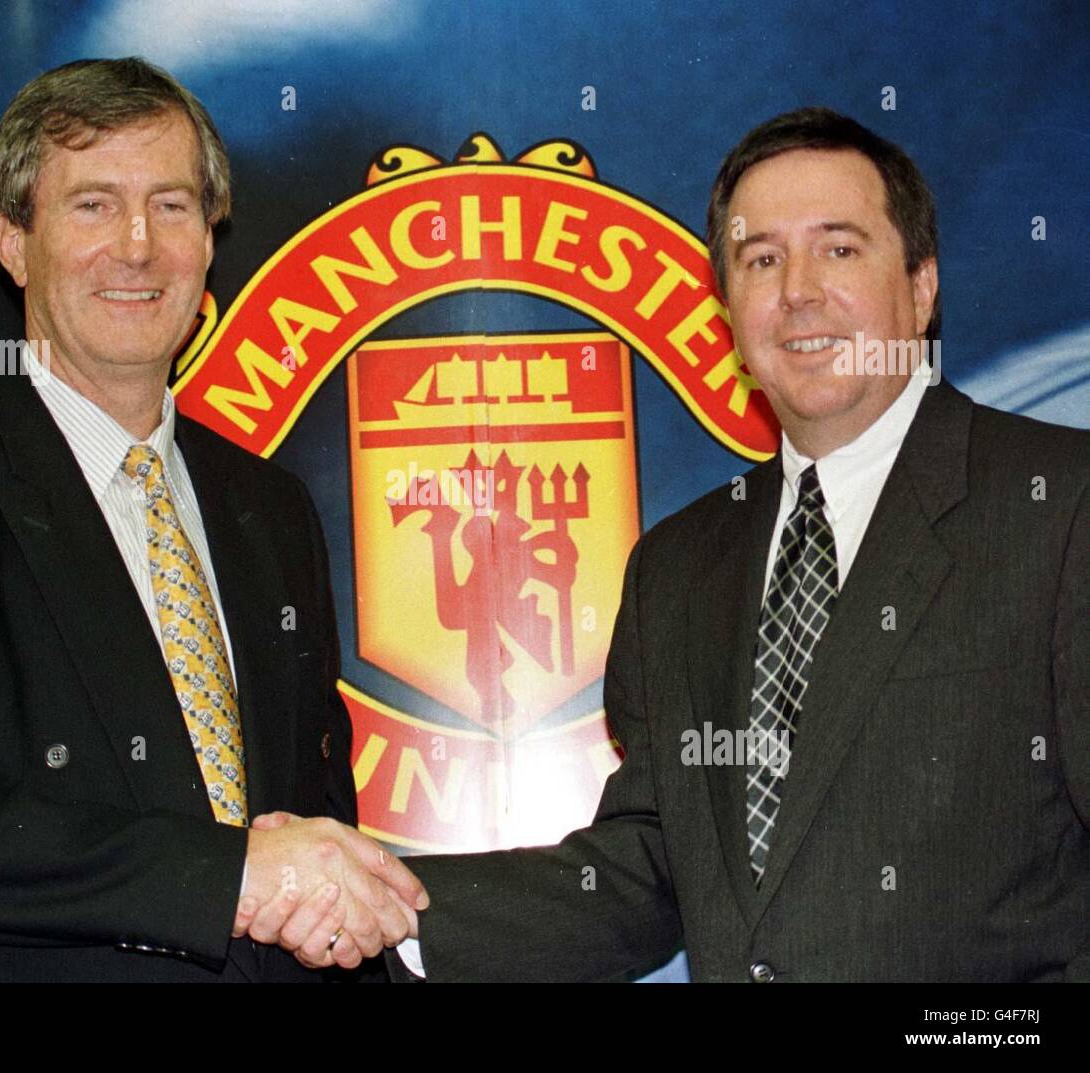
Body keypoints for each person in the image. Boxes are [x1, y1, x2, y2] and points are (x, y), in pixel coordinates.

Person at [237, 107, 1089, 981]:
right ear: (727, 308)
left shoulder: (1063, 506)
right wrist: (387, 906)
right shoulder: (678, 568)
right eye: (761, 259)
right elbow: (650, 873)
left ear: (922, 284)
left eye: (840, 248)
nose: (797, 290)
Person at [0, 56, 425, 983]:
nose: (137, 246)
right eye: (93, 204)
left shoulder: (272, 510)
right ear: (14, 242)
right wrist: (232, 880)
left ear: (211, 240)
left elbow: (309, 826)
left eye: (172, 206)